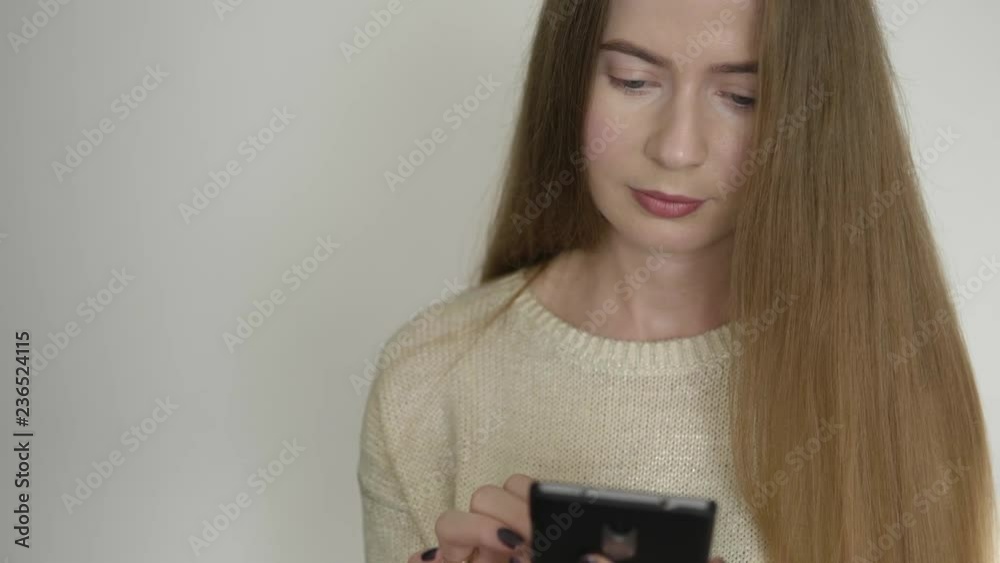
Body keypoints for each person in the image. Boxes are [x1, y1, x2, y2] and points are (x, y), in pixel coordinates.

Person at [357, 0, 997, 561]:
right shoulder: (430, 375)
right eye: (633, 81)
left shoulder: (891, 378)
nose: (677, 148)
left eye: (742, 97)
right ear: (571, 80)